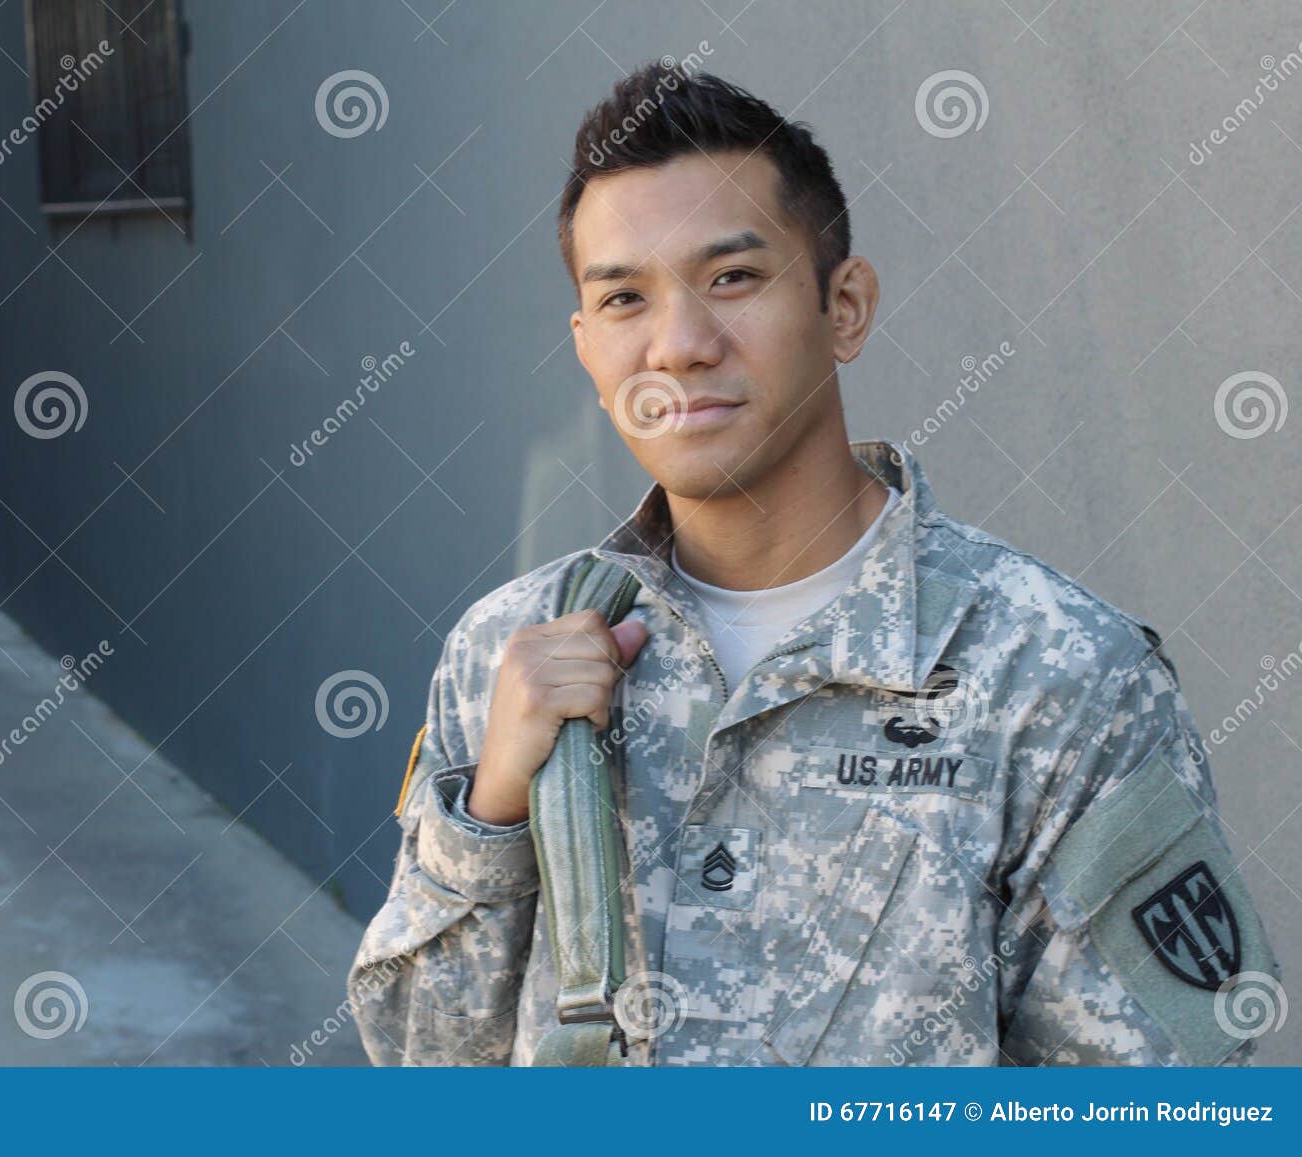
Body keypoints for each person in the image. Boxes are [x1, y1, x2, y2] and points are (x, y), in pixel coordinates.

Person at [347, 63, 1279, 1066]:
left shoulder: (1060, 678)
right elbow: (421, 1063)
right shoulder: (505, 652)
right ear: (584, 344)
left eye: (732, 278)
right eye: (624, 297)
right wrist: (490, 811)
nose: (679, 344)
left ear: (845, 306)